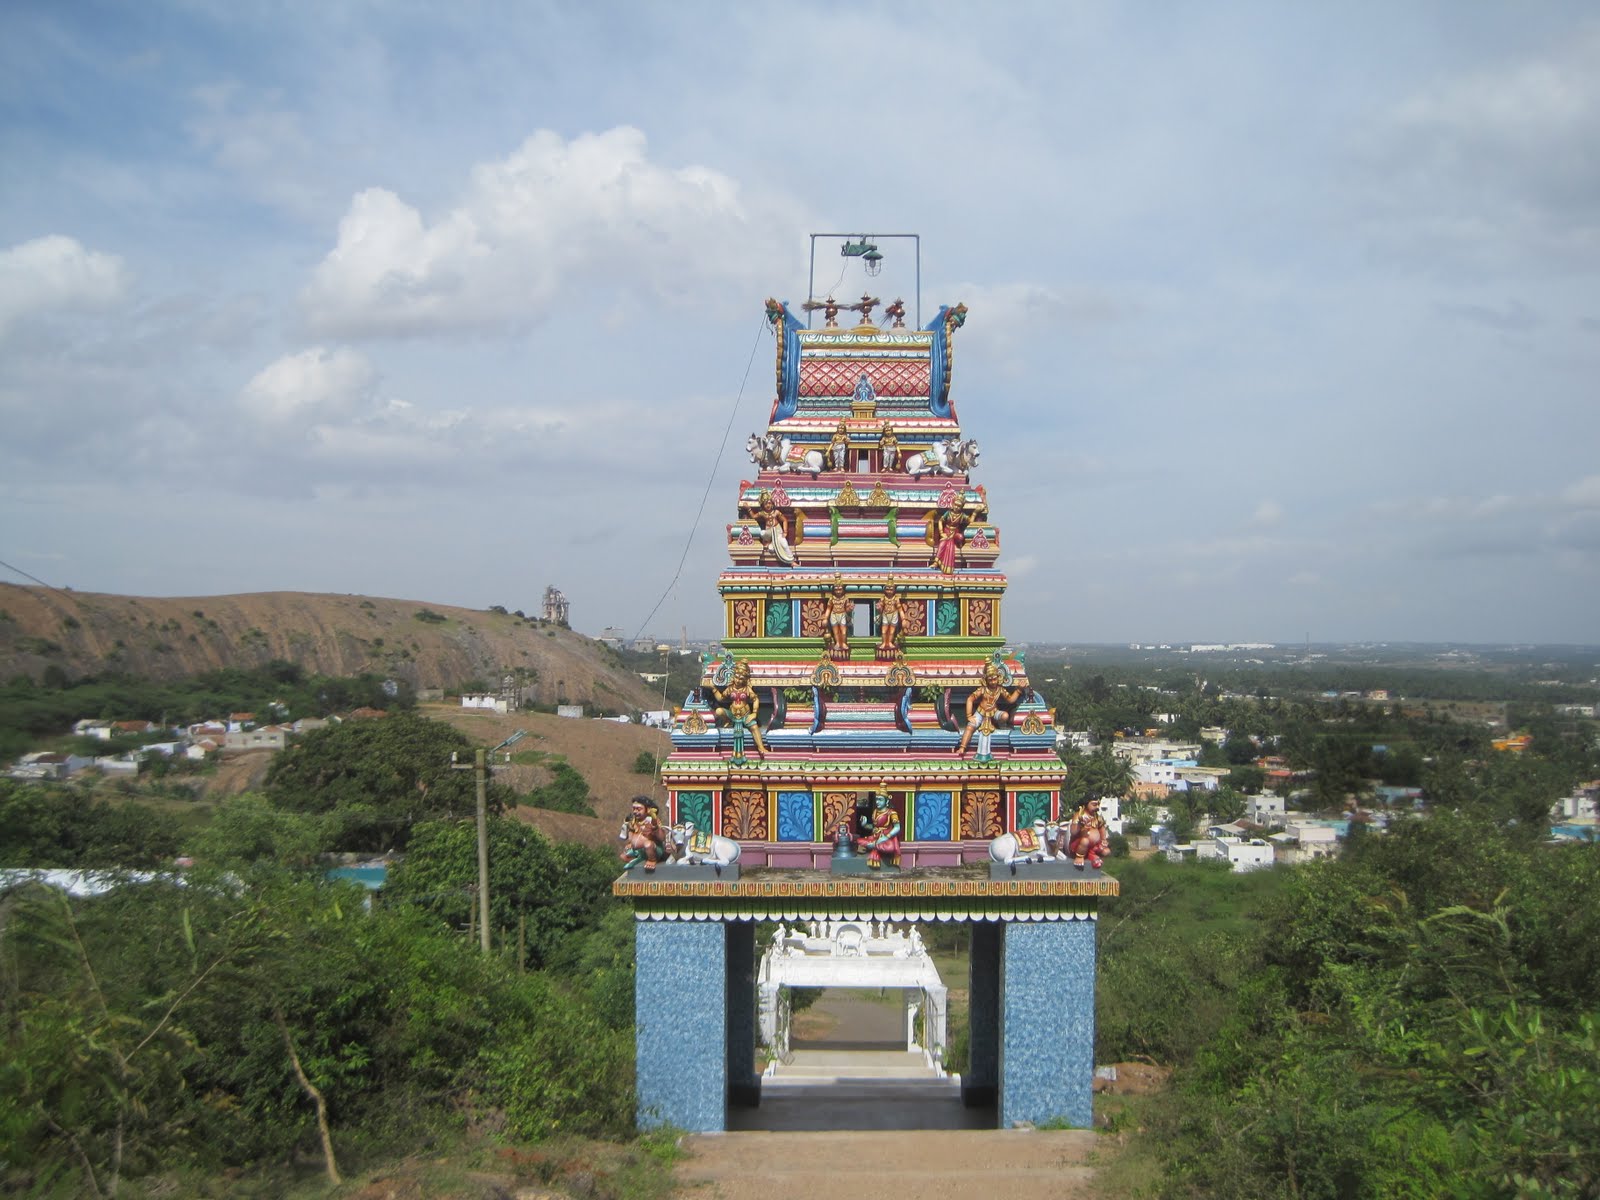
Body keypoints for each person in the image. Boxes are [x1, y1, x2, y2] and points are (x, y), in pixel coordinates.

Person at [956, 663, 1022, 756]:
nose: (993, 682)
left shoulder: (1000, 690)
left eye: (994, 679)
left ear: (998, 678)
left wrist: (1018, 690)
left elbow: (1010, 700)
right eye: (990, 680)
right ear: (986, 680)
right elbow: (970, 699)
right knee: (970, 727)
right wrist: (969, 715)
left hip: (994, 712)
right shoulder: (983, 689)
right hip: (980, 712)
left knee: (1005, 716)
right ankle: (962, 748)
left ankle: (998, 725)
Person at [711, 660, 767, 757]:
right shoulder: (730, 688)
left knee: (754, 727)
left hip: (745, 715)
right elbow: (720, 698)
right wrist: (714, 689)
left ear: (745, 679)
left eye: (741, 679)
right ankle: (727, 720)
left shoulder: (746, 689)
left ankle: (761, 747)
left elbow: (755, 699)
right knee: (719, 711)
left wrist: (754, 713)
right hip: (732, 715)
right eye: (736, 677)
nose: (738, 680)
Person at [746, 489, 797, 566]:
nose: (768, 505)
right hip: (769, 532)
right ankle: (769, 542)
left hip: (778, 531)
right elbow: (753, 516)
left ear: (772, 504)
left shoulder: (776, 512)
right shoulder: (762, 513)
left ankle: (791, 561)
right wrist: (748, 508)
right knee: (762, 533)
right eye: (766, 504)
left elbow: (784, 520)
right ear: (763, 505)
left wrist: (785, 531)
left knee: (784, 544)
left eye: (769, 503)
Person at [619, 797, 669, 871]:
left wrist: (655, 828)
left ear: (648, 810)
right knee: (623, 856)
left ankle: (652, 860)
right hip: (639, 851)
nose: (635, 812)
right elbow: (631, 837)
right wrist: (630, 843)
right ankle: (641, 862)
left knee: (648, 844)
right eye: (634, 809)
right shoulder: (633, 822)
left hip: (653, 849)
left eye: (639, 809)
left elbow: (662, 838)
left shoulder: (653, 821)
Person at [857, 787, 901, 869]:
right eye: (876, 799)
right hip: (875, 837)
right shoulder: (875, 812)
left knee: (890, 848)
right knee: (859, 841)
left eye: (880, 800)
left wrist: (886, 837)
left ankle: (873, 846)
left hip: (886, 838)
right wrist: (865, 825)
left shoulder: (891, 813)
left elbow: (897, 827)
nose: (877, 802)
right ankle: (874, 845)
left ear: (887, 801)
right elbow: (874, 827)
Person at [927, 496, 970, 575]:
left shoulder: (962, 515)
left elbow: (970, 521)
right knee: (943, 543)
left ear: (961, 507)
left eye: (959, 506)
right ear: (953, 504)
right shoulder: (948, 513)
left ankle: (959, 545)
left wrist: (975, 513)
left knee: (960, 537)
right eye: (955, 505)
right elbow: (940, 521)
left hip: (955, 533)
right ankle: (936, 562)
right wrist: (941, 532)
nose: (956, 507)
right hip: (946, 532)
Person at [1067, 797, 1110, 869]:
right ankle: (1079, 857)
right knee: (1085, 841)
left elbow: (1102, 829)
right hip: (1079, 845)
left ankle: (1092, 855)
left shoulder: (1097, 817)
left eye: (1098, 805)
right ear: (1086, 804)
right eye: (1094, 805)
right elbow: (1073, 832)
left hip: (1093, 846)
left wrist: (1103, 840)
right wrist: (1080, 825)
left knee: (1106, 851)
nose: (1097, 807)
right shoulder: (1079, 815)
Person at [876, 577, 904, 655]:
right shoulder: (883, 598)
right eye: (887, 589)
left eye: (891, 589)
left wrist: (903, 619)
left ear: (894, 590)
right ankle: (884, 643)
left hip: (894, 614)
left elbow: (900, 609)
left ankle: (890, 642)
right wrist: (879, 608)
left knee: (892, 631)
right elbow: (880, 608)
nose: (889, 591)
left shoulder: (896, 599)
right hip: (885, 614)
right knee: (884, 630)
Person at [824, 577, 852, 655]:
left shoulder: (845, 598)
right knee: (835, 631)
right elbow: (829, 609)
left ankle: (843, 643)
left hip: (842, 614)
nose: (838, 591)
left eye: (840, 589)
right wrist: (825, 618)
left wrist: (849, 609)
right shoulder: (832, 599)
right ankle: (838, 643)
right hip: (834, 614)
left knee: (843, 631)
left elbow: (847, 609)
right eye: (836, 590)